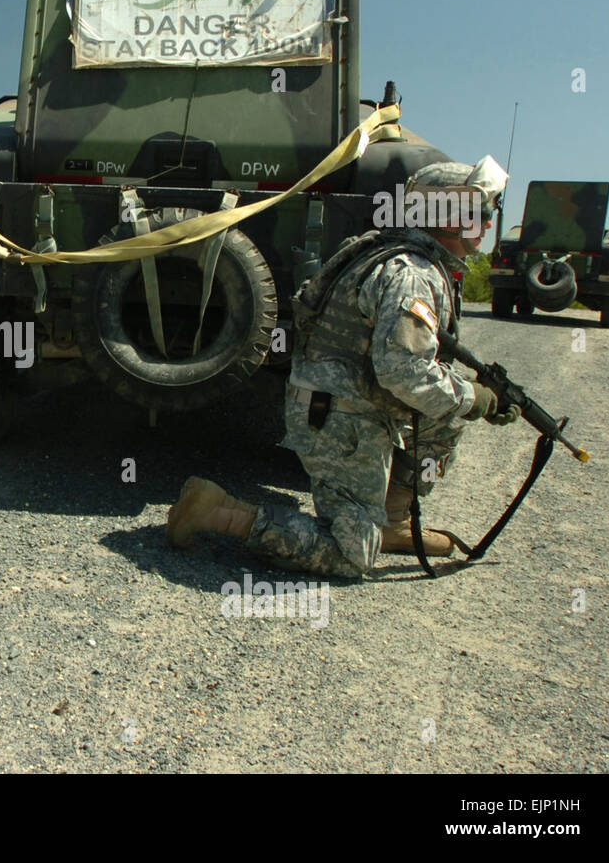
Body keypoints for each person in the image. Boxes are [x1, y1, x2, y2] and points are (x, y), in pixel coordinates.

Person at [166, 156, 520, 577]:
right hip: (340, 418)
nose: (488, 221)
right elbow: (404, 373)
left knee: (447, 411)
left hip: (346, 402)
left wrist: (468, 398)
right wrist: (473, 398)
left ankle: (392, 523)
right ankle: (219, 512)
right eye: (484, 210)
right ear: (452, 214)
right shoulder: (413, 273)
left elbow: (410, 367)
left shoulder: (398, 253)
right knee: (350, 556)